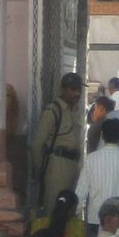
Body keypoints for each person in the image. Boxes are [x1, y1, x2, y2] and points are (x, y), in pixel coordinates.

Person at [30, 72, 84, 214]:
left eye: (79, 89)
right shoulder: (53, 110)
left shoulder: (75, 110)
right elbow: (37, 144)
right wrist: (41, 169)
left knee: (69, 209)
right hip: (57, 165)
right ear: (63, 89)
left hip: (73, 165)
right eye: (73, 89)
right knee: (54, 209)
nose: (77, 93)